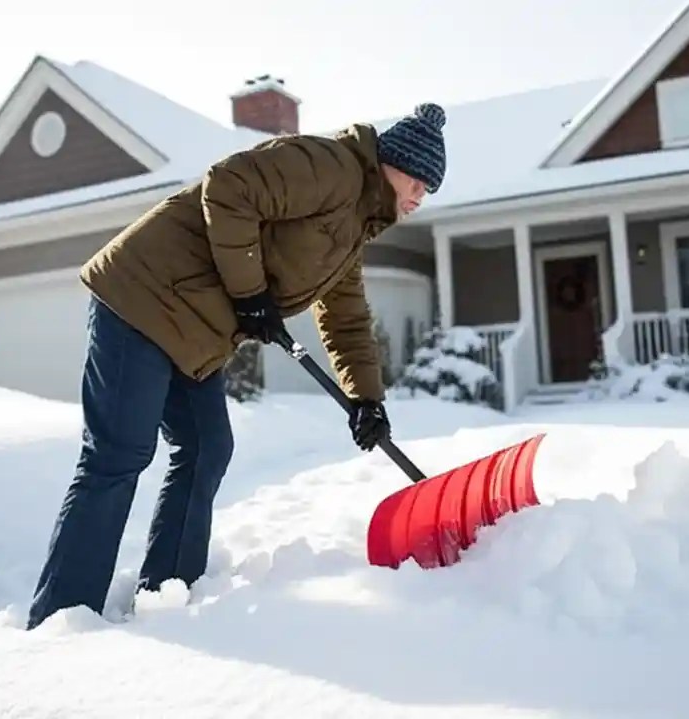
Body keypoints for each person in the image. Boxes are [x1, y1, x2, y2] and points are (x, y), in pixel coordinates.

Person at [25, 102, 449, 630]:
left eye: (427, 192)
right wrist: (250, 294)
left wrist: (367, 399)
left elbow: (345, 316)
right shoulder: (331, 166)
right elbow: (229, 185)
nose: (418, 199)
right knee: (119, 454)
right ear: (394, 161)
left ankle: (168, 594)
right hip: (142, 297)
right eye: (418, 183)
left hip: (192, 328)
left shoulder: (354, 223)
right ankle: (62, 616)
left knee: (207, 446)